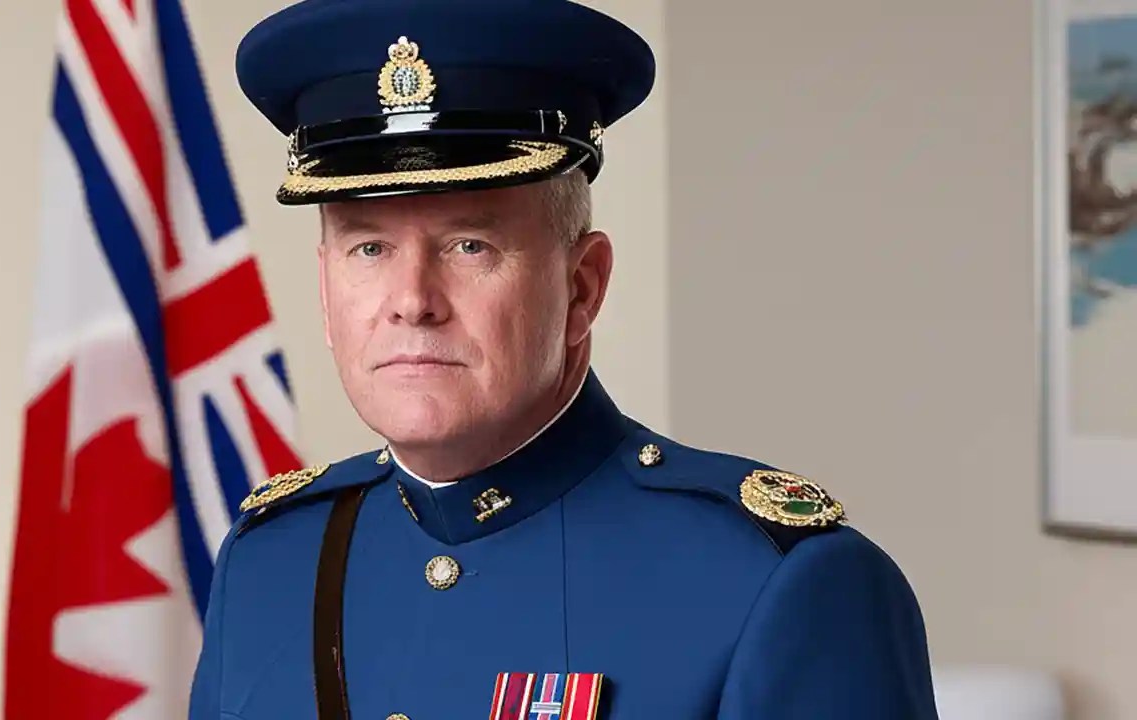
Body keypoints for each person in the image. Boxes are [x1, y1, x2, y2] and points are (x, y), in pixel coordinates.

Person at [189, 1, 939, 718]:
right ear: (326, 292)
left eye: (468, 245)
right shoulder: (270, 564)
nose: (411, 299)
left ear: (583, 287)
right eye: (370, 248)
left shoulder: (774, 585)